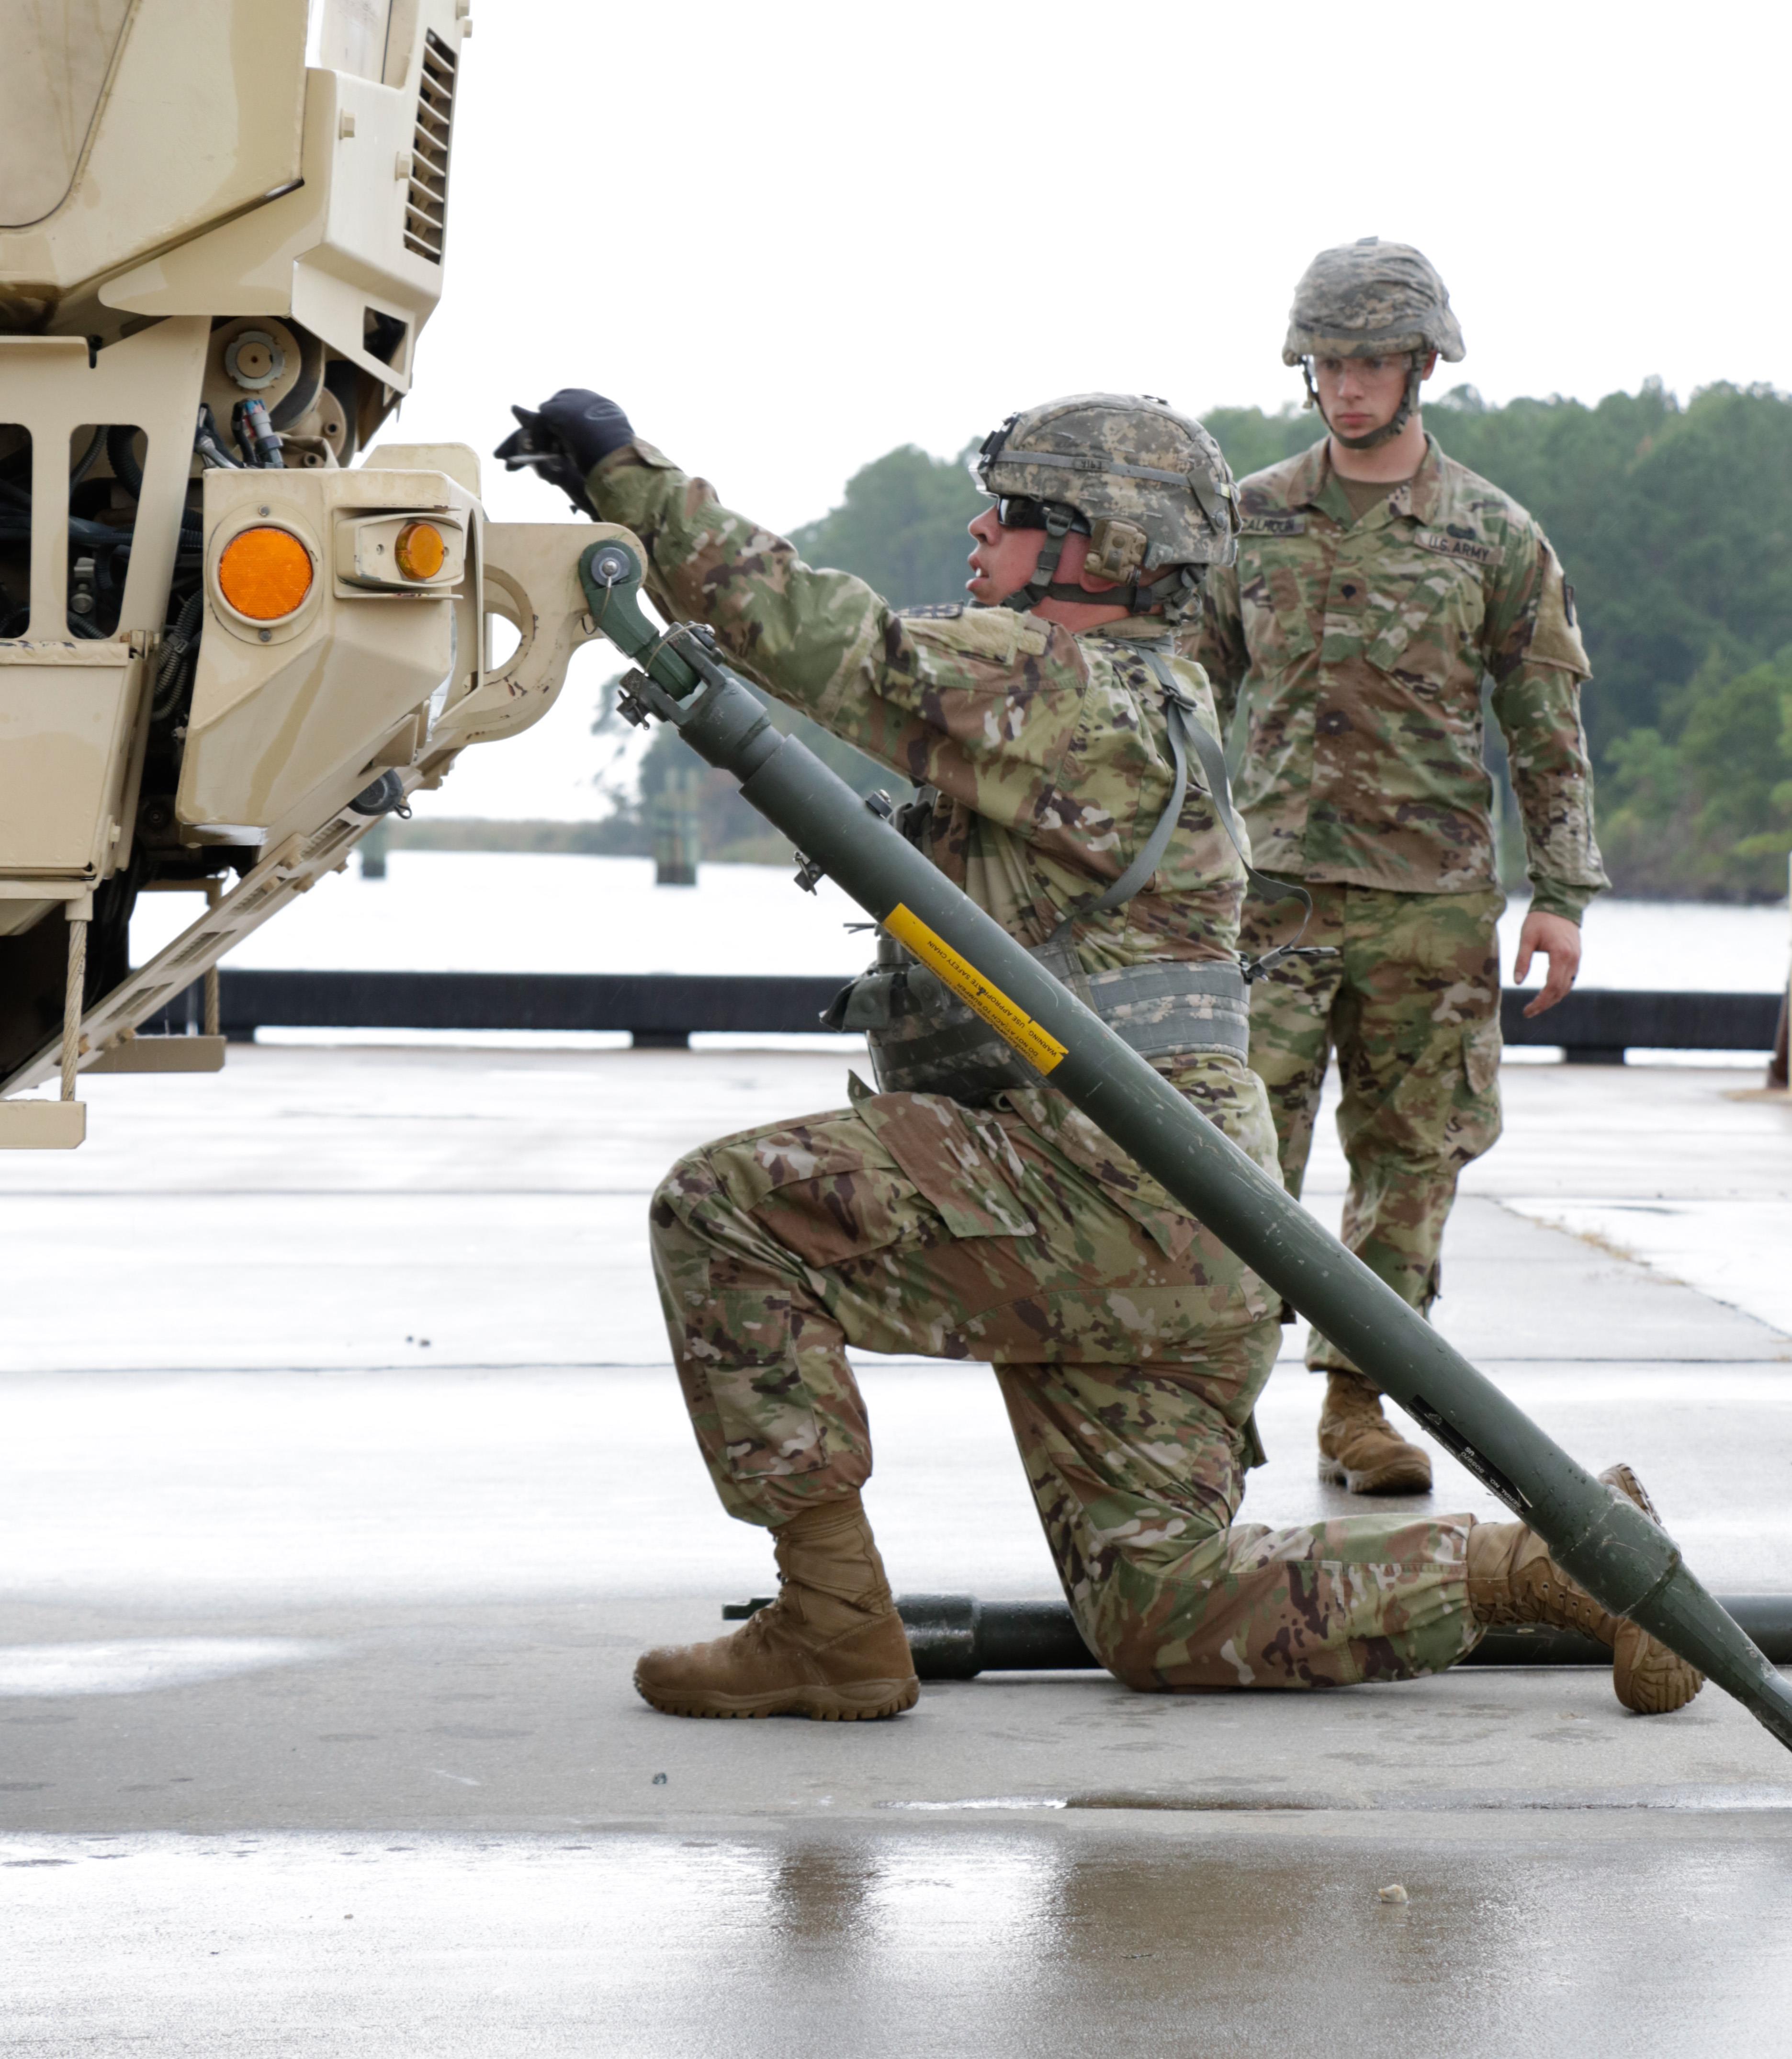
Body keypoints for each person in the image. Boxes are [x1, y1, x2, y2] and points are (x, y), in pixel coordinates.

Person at [496, 385, 1689, 1722]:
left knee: (722, 1214)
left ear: (1105, 550)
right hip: (1193, 1226)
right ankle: (1544, 1570)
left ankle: (830, 1622)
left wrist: (627, 477)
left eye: (1014, 515)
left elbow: (831, 646)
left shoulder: (1057, 687)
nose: (980, 533)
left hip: (1095, 1182)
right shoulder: (1147, 698)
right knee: (1163, 1611)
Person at [1199, 240, 1608, 1497]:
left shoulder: (1492, 532)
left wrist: (1562, 896)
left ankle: (1357, 1405)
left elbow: (1544, 723)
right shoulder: (1249, 519)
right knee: (1228, 1156)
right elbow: (1183, 700)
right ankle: (1208, 1410)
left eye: (1372, 362)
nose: (1348, 386)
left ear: (1422, 365)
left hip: (1430, 907)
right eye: (1329, 363)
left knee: (1412, 1160)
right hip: (1269, 902)